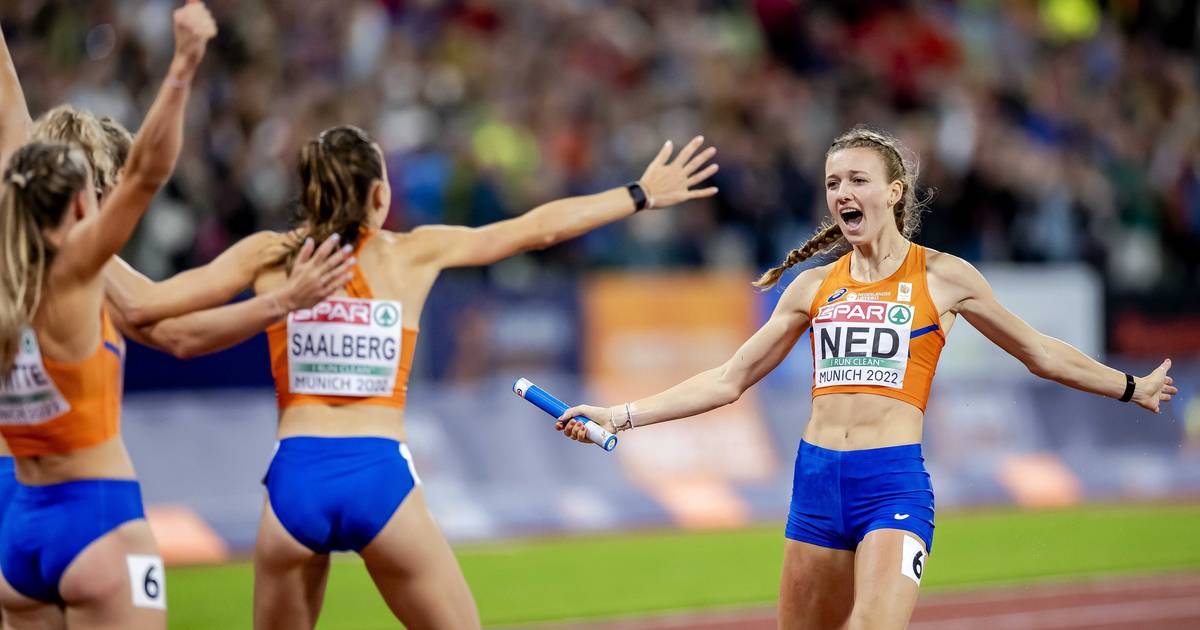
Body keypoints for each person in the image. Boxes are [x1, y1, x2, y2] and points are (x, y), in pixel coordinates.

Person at [554, 126, 1177, 630]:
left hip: (892, 486)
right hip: (816, 484)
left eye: (856, 179)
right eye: (832, 182)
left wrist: (1129, 386)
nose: (841, 192)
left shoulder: (944, 277)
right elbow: (729, 377)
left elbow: (1038, 351)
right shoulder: (813, 287)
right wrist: (619, 414)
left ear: (894, 192)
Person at [164, 123, 715, 628]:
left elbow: (160, 312)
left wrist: (85, 260)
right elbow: (534, 230)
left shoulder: (269, 256)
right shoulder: (410, 252)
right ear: (380, 196)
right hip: (377, 474)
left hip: (295, 478)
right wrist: (638, 195)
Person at [0, 3, 217, 626]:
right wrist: (182, 68)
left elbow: (11, 119)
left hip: (17, 526)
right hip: (95, 515)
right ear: (77, 205)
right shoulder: (78, 270)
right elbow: (149, 176)